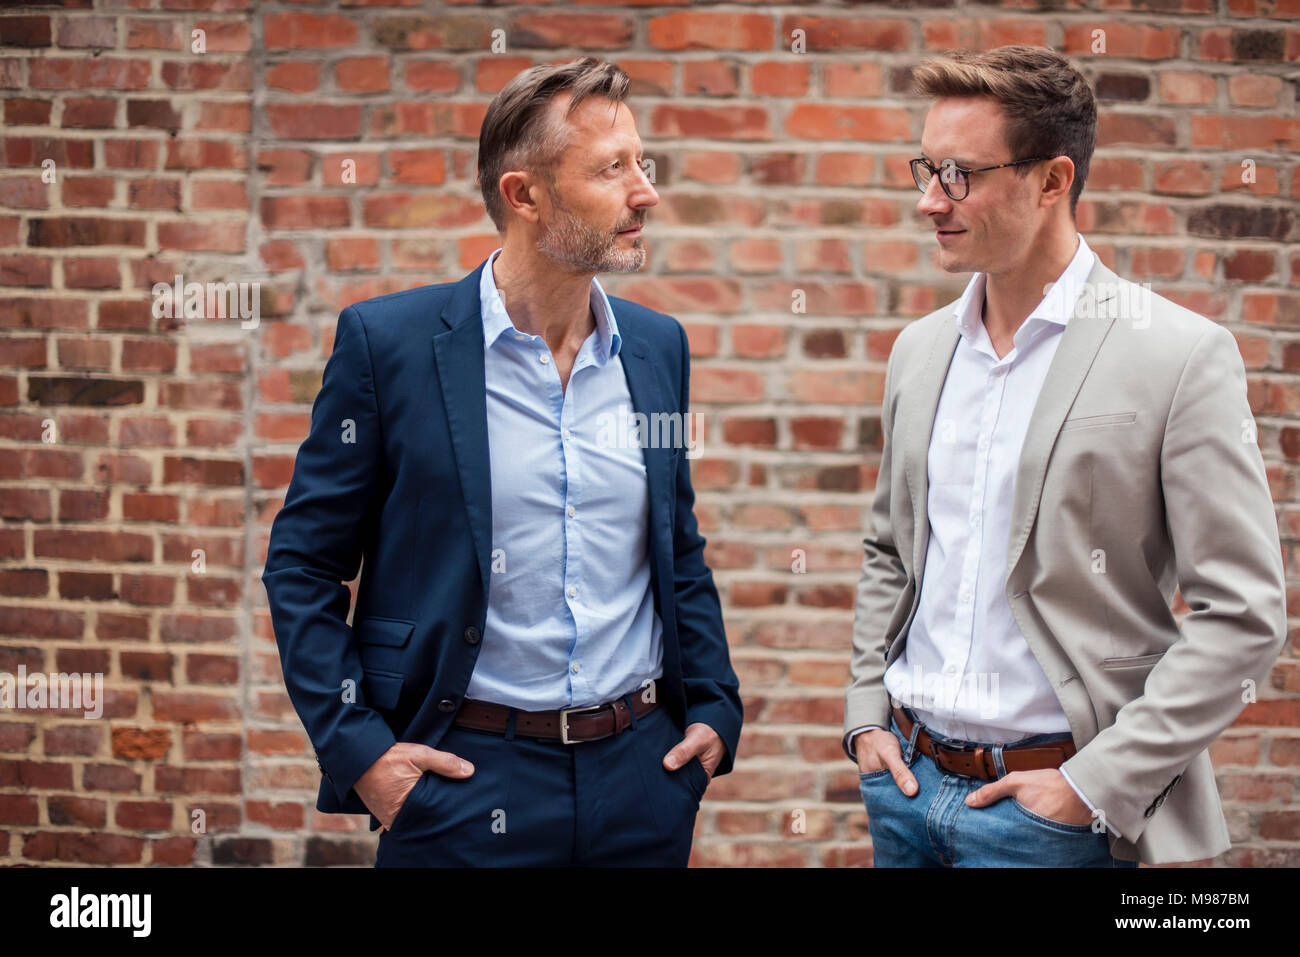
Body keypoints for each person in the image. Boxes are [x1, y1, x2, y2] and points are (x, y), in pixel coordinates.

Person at [262, 57, 742, 867]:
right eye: (612, 168)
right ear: (525, 195)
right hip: (464, 784)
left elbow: (675, 546)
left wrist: (714, 712)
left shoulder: (657, 349)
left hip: (641, 783)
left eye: (641, 163)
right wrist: (363, 755)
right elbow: (303, 566)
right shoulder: (390, 348)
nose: (645, 192)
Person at [842, 45, 1286, 867]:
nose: (926, 200)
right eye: (925, 167)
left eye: (958, 174)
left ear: (1053, 181)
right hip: (903, 790)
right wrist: (867, 713)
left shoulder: (1179, 355)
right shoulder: (919, 350)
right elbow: (890, 550)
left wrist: (1094, 784)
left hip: (1052, 814)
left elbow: (1243, 612)